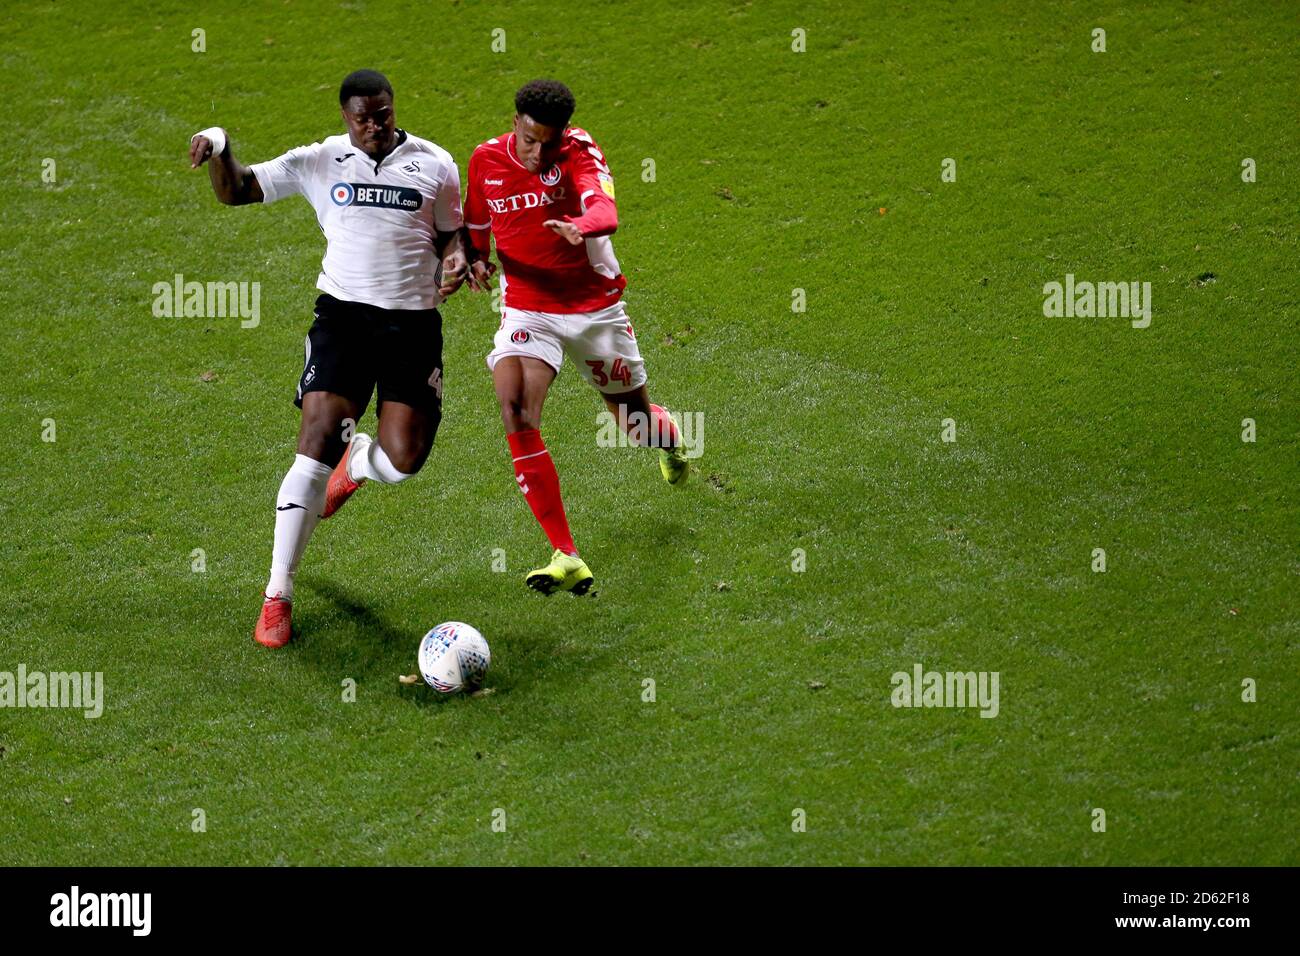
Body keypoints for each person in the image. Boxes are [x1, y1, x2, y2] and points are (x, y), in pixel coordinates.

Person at [188, 69, 470, 648]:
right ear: (345, 117)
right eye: (363, 116)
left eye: (383, 113)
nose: (374, 125)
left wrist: (458, 260)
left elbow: (451, 234)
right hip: (343, 320)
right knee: (316, 443)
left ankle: (361, 465)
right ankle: (277, 595)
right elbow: (236, 189)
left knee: (406, 460)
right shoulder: (320, 160)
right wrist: (219, 143)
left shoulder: (436, 164)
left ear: (395, 108)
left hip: (412, 327)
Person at [462, 79, 691, 596]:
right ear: (515, 120)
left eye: (549, 142)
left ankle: (670, 441)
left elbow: (606, 211)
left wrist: (582, 225)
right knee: (515, 408)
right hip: (528, 307)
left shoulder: (579, 149)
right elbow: (476, 222)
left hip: (594, 309)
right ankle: (566, 554)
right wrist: (475, 258)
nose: (539, 151)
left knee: (635, 425)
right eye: (529, 139)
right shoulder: (484, 160)